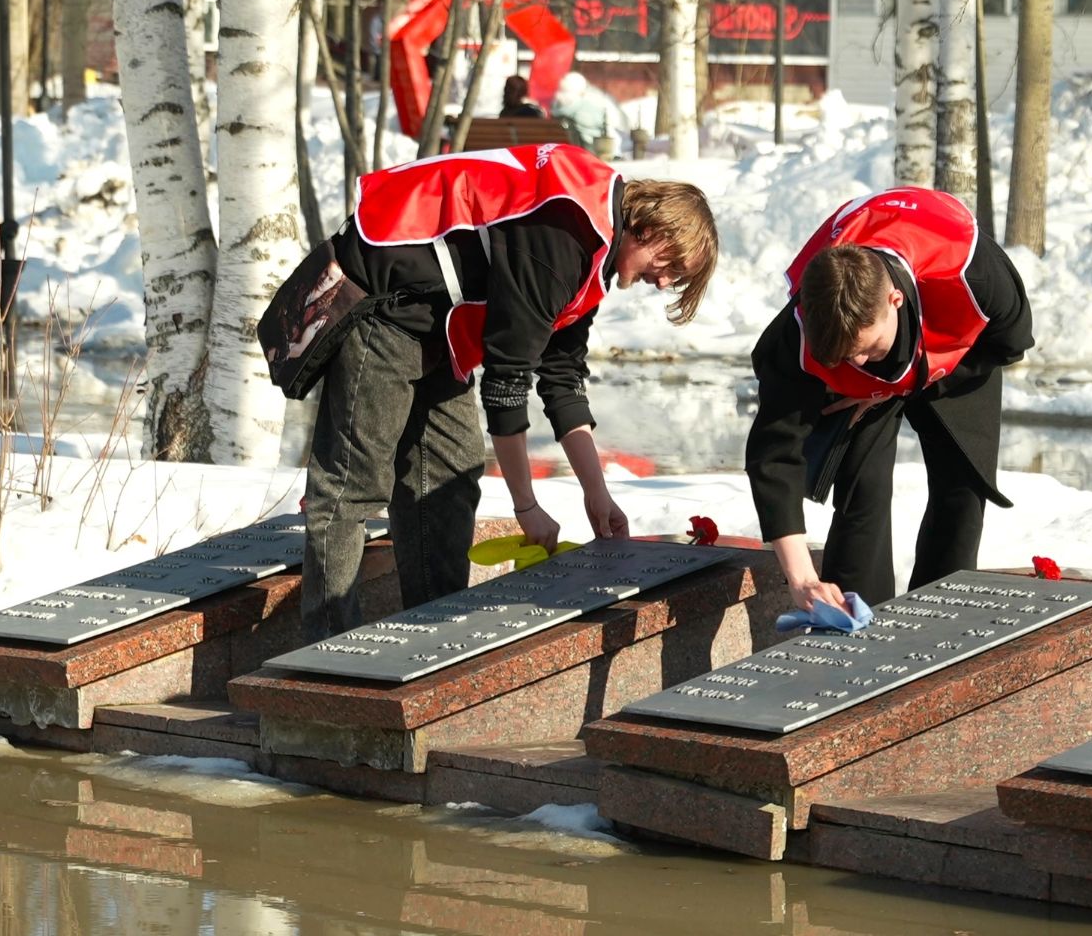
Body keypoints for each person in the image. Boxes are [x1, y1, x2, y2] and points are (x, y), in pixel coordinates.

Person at [267, 143, 719, 641]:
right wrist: (526, 505)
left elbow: (562, 376)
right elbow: (507, 384)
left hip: (437, 326)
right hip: (386, 303)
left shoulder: (593, 243)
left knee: (452, 471)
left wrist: (598, 495)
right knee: (354, 485)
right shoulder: (565, 233)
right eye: (671, 265)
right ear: (653, 230)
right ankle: (326, 651)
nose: (663, 282)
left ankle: (424, 636)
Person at [745, 186, 1033, 613]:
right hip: (866, 358)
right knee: (862, 488)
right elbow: (773, 455)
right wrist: (802, 579)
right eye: (847, 357)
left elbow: (1011, 343)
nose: (860, 361)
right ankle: (854, 618)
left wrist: (907, 381)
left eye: (867, 350)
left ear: (894, 302)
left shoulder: (974, 276)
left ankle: (941, 618)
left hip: (953, 345)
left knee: (961, 489)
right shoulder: (796, 335)